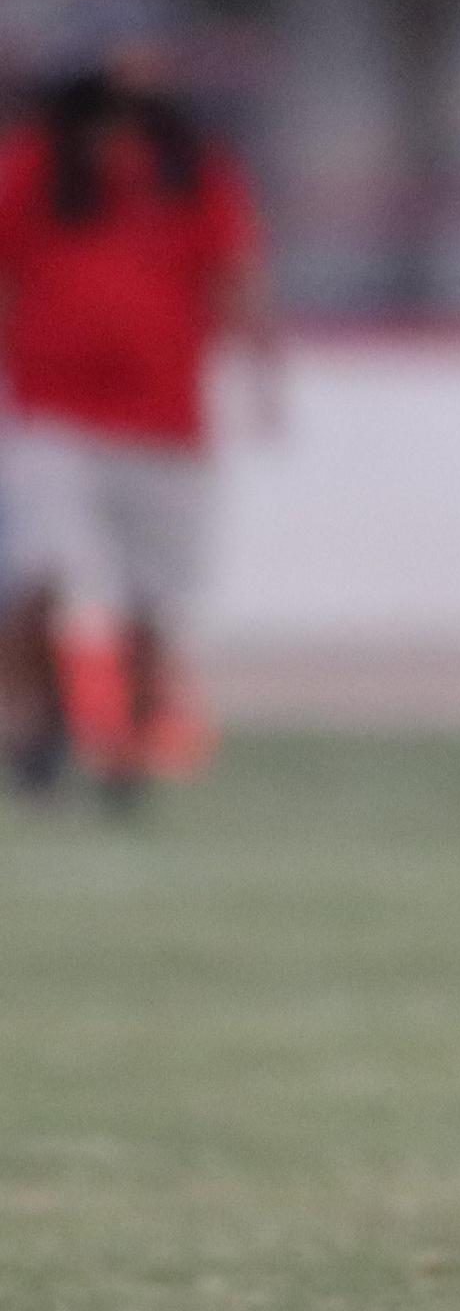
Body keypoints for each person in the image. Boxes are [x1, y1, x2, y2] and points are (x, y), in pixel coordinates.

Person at [0, 47, 275, 804]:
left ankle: (133, 734)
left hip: (164, 421)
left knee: (153, 596)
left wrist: (261, 371)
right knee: (60, 576)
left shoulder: (191, 171)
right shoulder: (38, 166)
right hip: (57, 411)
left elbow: (234, 268)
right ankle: (56, 725)